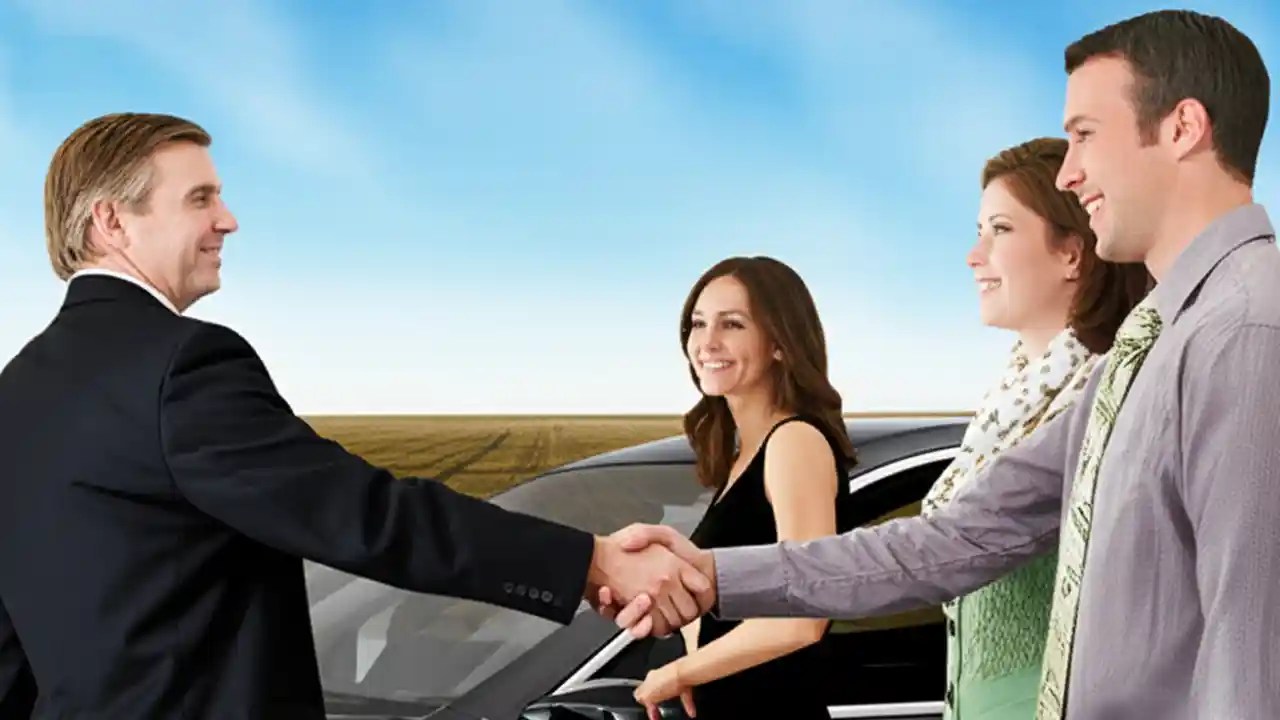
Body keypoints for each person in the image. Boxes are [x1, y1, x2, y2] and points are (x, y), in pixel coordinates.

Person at [607, 9, 1280, 720]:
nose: (1073, 173)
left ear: (1182, 128)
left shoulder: (1244, 332)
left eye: (1085, 135)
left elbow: (1252, 653)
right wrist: (709, 574)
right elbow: (955, 539)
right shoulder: (1145, 354)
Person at [0, 112, 713, 719]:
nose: (229, 219)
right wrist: (587, 560)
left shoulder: (19, 390)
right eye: (200, 198)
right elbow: (363, 515)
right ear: (111, 221)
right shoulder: (182, 364)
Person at [924, 136, 1151, 720]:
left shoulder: (1109, 400)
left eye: (1000, 230)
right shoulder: (1009, 406)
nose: (974, 255)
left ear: (1071, 254)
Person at [600, 256, 857, 718]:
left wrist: (679, 673)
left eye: (732, 324)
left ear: (780, 343)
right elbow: (715, 616)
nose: (707, 342)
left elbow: (804, 616)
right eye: (698, 324)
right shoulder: (744, 455)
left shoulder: (794, 442)